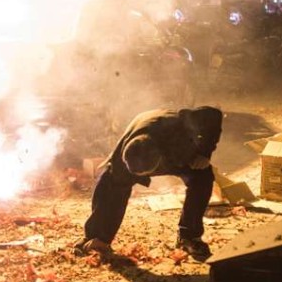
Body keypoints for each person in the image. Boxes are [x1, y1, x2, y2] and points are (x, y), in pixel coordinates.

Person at [75, 106, 224, 262]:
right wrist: (97, 237)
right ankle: (97, 237)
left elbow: (213, 115)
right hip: (143, 129)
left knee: (203, 177)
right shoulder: (121, 159)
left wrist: (204, 152)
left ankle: (189, 237)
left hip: (174, 146)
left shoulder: (177, 130)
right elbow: (105, 195)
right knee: (113, 183)